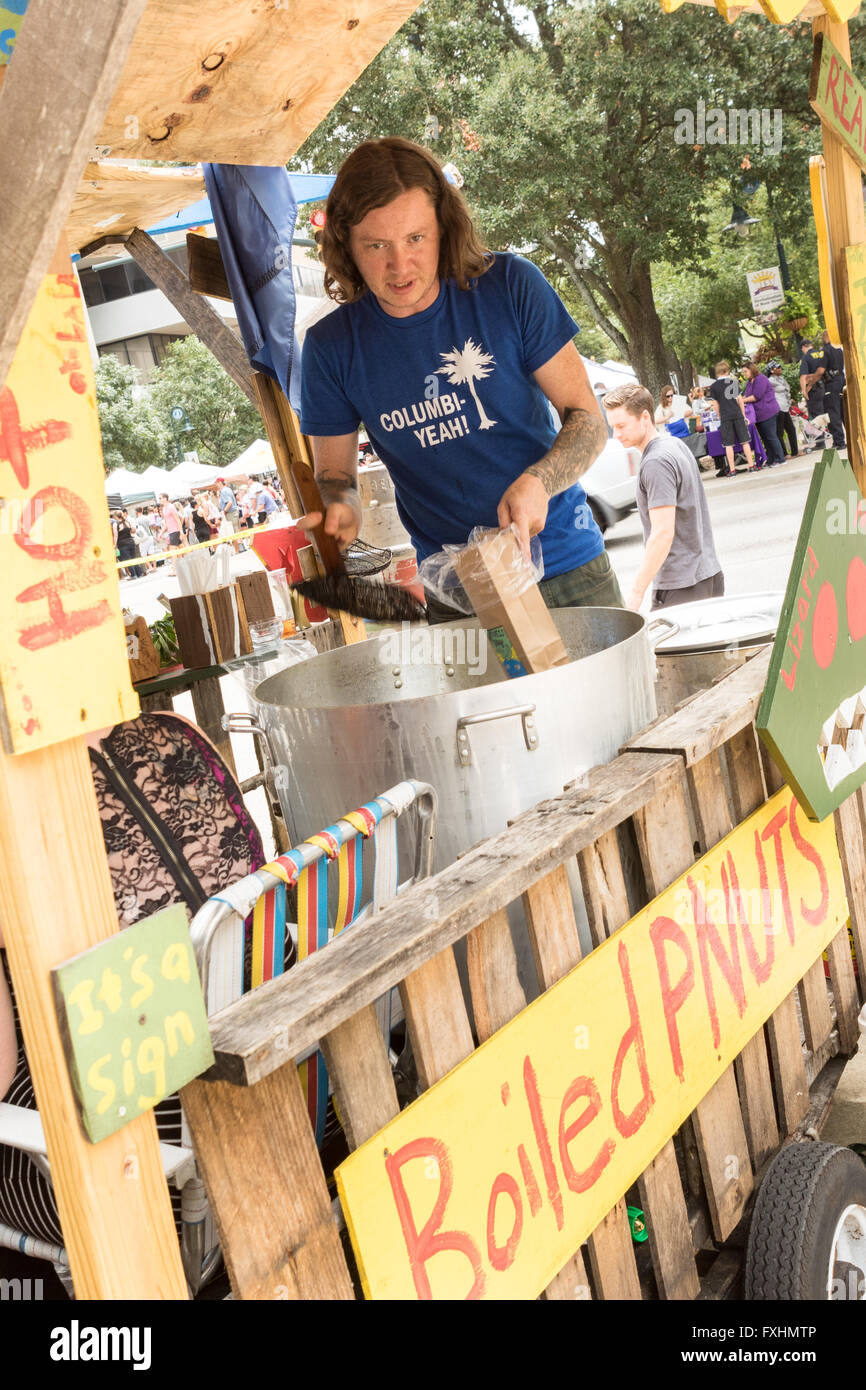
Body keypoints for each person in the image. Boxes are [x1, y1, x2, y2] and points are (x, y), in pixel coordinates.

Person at [298, 136, 619, 621]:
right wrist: (340, 509)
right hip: (458, 594)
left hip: (567, 567)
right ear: (345, 243)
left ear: (444, 228)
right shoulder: (329, 347)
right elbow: (336, 477)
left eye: (416, 239)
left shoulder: (510, 285)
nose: (399, 265)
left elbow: (589, 422)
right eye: (376, 245)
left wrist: (538, 481)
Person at [603, 382, 723, 612]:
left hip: (682, 586)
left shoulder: (655, 462)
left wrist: (636, 594)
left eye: (621, 425)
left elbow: (662, 533)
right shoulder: (674, 445)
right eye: (612, 427)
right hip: (708, 575)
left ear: (645, 417)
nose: (616, 434)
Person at [706, 361, 756, 477]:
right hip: (737, 414)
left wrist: (719, 416)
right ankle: (751, 465)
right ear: (727, 371)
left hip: (725, 417)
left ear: (717, 373)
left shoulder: (714, 387)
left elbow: (715, 404)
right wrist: (744, 416)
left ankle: (732, 470)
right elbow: (740, 400)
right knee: (745, 441)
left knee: (728, 444)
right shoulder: (732, 382)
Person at [743, 362, 785, 465]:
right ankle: (771, 459)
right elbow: (747, 395)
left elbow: (757, 396)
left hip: (768, 412)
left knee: (771, 436)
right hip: (759, 415)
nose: (744, 374)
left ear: (751, 369)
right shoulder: (749, 383)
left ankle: (780, 458)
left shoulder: (760, 379)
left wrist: (742, 400)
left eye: (745, 371)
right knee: (765, 438)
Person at [821, 330, 846, 450]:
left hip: (831, 383)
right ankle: (849, 437)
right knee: (844, 411)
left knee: (833, 412)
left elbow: (821, 370)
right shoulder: (839, 349)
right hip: (842, 380)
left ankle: (839, 441)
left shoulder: (825, 350)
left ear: (825, 337)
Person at [767, 361, 799, 458]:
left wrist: (789, 400)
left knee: (791, 430)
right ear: (772, 370)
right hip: (778, 408)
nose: (780, 368)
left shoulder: (780, 379)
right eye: (778, 367)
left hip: (785, 407)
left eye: (780, 366)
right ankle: (784, 454)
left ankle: (795, 452)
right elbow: (783, 389)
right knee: (779, 432)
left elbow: (786, 390)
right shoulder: (770, 381)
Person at [115, 508, 144, 579]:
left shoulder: (117, 524)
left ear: (116, 516)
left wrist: (115, 545)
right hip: (131, 542)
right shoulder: (127, 522)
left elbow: (116, 535)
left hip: (123, 544)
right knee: (134, 558)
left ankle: (133, 575)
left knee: (128, 560)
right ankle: (139, 573)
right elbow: (132, 530)